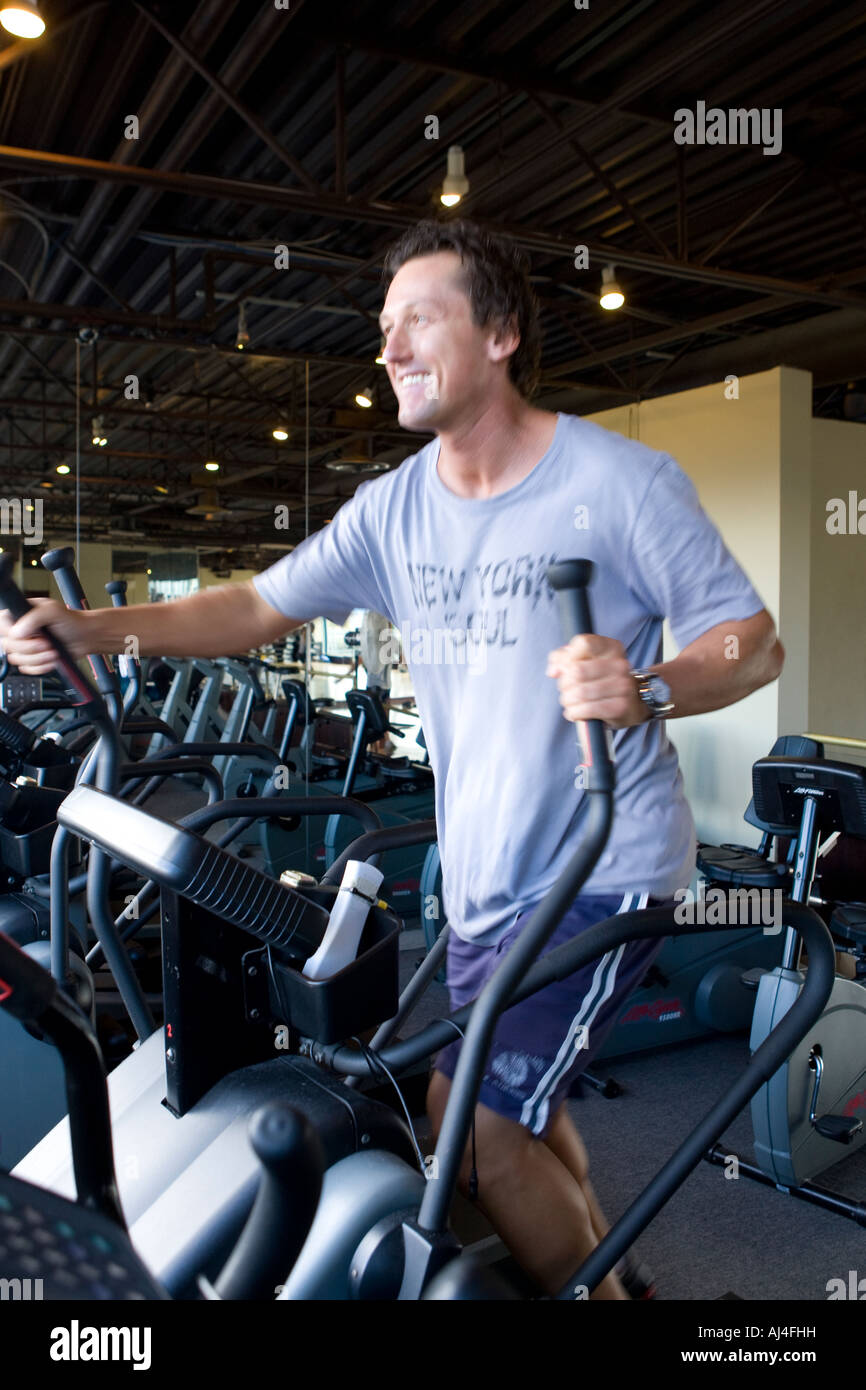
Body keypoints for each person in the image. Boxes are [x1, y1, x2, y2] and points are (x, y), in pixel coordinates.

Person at [0, 219, 783, 1300]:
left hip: (598, 870)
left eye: (418, 318)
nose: (390, 347)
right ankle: (617, 1273)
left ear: (500, 331)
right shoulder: (393, 509)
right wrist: (92, 631)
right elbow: (254, 606)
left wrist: (649, 686)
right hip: (475, 879)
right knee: (520, 1107)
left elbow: (750, 639)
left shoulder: (622, 482)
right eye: (382, 329)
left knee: (482, 1140)